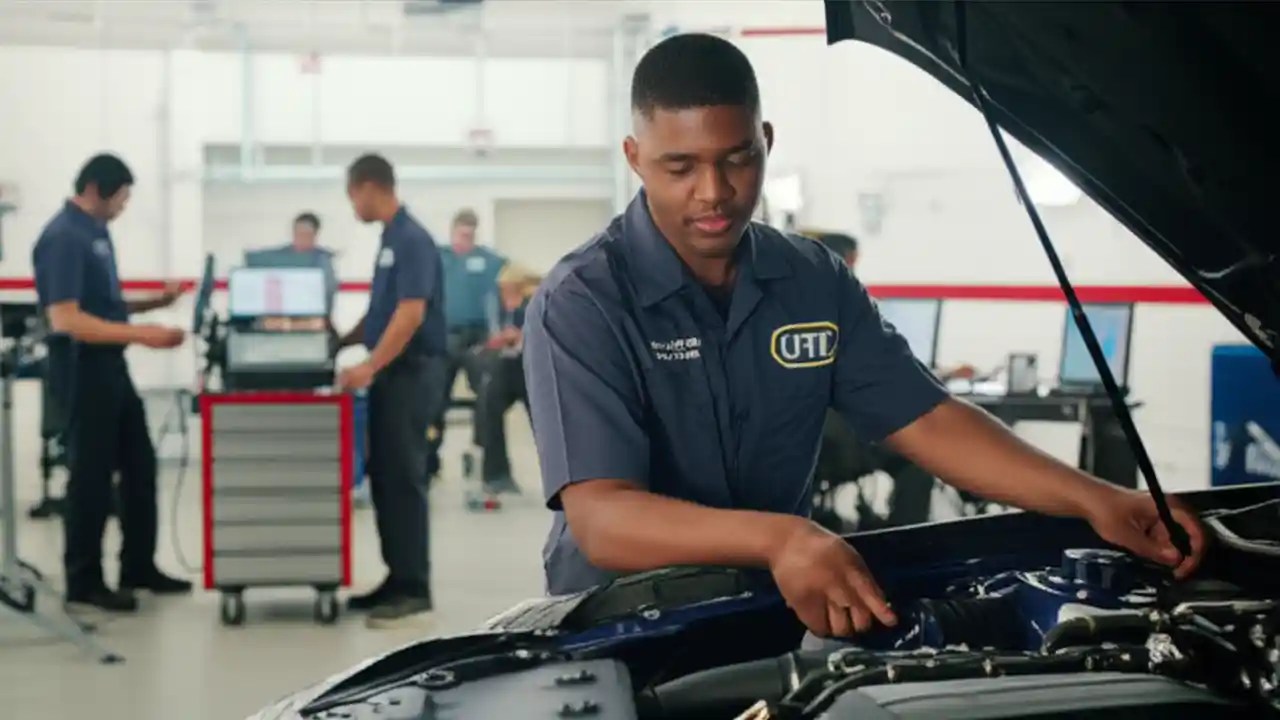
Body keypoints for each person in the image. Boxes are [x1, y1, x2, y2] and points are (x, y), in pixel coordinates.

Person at [522, 33, 1207, 639]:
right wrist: (782, 538)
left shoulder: (812, 280)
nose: (714, 192)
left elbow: (928, 420)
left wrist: (1098, 499)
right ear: (635, 157)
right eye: (681, 167)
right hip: (619, 624)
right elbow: (602, 519)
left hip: (768, 604)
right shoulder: (584, 301)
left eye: (737, 159)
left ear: (766, 141)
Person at [32, 153, 192, 612]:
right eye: (121, 197)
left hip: (110, 369)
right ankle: (84, 580)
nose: (123, 206)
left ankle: (138, 565)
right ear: (96, 190)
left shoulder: (95, 232)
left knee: (140, 466)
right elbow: (67, 319)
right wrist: (145, 335)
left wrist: (154, 304)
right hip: (82, 371)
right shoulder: (64, 238)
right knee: (91, 477)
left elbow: (102, 306)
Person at [336, 153, 446, 627]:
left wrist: (369, 365)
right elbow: (382, 313)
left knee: (404, 478)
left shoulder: (411, 239)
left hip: (412, 375)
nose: (353, 206)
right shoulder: (390, 239)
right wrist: (341, 341)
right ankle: (396, 577)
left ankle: (415, 588)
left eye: (351, 196)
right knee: (384, 476)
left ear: (367, 187)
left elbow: (410, 314)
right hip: (391, 376)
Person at [430, 209, 506, 474]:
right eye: (462, 234)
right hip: (445, 337)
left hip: (478, 338)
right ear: (453, 232)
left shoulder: (486, 260)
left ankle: (479, 451)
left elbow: (510, 277)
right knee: (435, 399)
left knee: (487, 394)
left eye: (471, 235)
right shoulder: (439, 258)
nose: (466, 240)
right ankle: (430, 458)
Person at [471, 263, 540, 494]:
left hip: (532, 369)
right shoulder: (501, 307)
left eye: (507, 288)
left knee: (545, 425)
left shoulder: (534, 303)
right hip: (507, 366)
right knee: (488, 411)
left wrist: (518, 335)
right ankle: (496, 475)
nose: (503, 293)